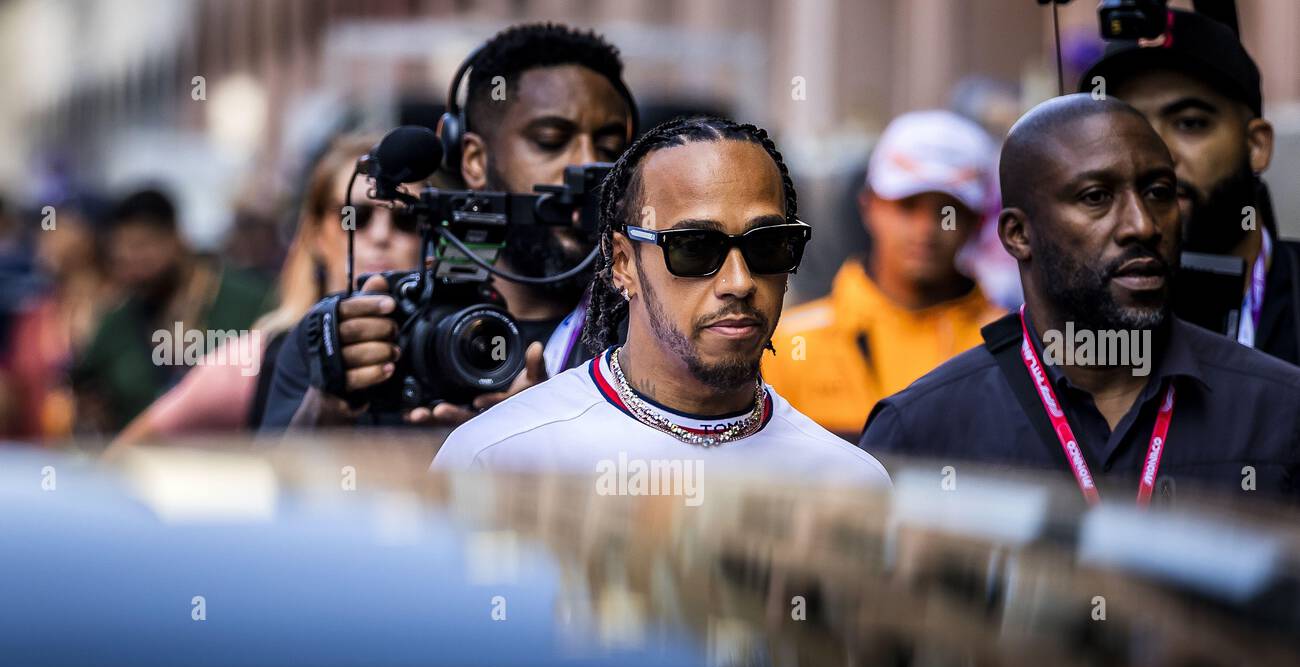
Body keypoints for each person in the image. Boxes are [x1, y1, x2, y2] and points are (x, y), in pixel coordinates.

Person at [859, 94, 1300, 504]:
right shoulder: (919, 430)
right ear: (1018, 234)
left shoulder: (1280, 410)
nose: (1142, 225)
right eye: (1096, 197)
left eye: (1159, 193)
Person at [434, 115, 890, 488]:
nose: (739, 281)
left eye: (768, 245)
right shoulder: (501, 458)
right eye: (694, 247)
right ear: (623, 263)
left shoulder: (848, 483)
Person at [261, 22, 637, 430]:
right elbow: (281, 486)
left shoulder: (648, 339)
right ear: (474, 160)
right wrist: (330, 406)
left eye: (610, 147)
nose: (589, 164)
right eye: (550, 140)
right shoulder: (353, 337)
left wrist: (540, 436)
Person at [108, 133, 426, 446]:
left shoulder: (461, 350)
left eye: (406, 218)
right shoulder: (256, 359)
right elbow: (129, 451)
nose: (381, 235)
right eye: (356, 216)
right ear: (316, 232)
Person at [1080, 7, 1299, 363]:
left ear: (1257, 145)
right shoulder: (1075, 324)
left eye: (1190, 123)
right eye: (1126, 128)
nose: (1155, 155)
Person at [764, 111, 1000, 441]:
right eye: (908, 206)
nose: (926, 230)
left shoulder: (1011, 350)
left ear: (977, 222)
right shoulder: (787, 347)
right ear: (869, 206)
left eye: (948, 210)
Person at [70, 187, 269, 434]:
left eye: (142, 248)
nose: (133, 268)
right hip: (137, 464)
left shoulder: (249, 302)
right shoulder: (118, 323)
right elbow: (84, 394)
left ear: (176, 238)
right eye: (122, 258)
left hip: (232, 463)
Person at [1, 195, 113, 440]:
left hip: (100, 461)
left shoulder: (116, 310)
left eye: (55, 228)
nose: (44, 239)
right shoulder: (31, 315)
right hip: (31, 461)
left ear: (90, 235)